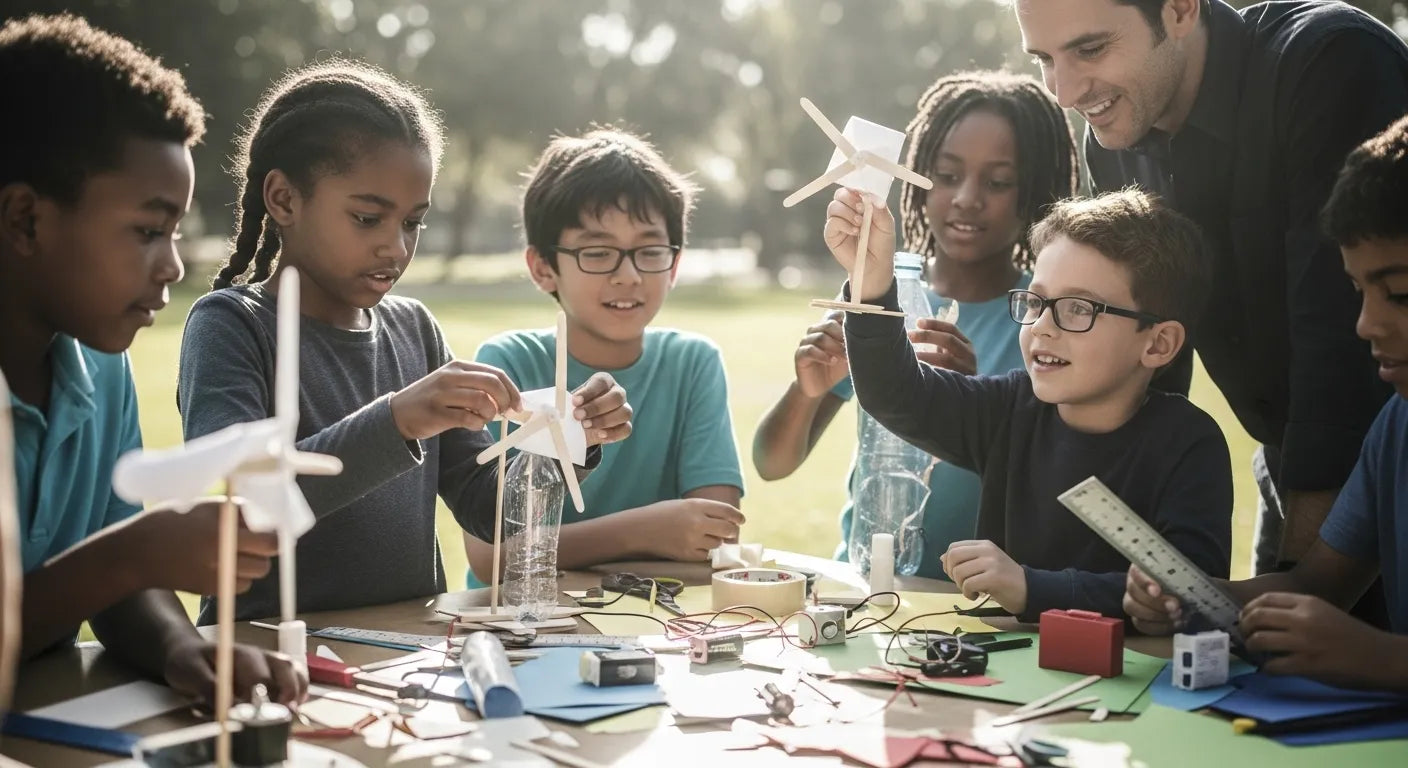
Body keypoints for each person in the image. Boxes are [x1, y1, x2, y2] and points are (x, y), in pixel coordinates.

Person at [179, 63, 630, 621]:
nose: (395, 247)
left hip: (404, 652)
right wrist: (396, 421)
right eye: (368, 218)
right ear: (284, 199)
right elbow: (248, 506)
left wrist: (566, 438)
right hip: (269, 653)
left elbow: (482, 505)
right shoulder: (232, 327)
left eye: (413, 222)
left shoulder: (414, 329)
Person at [1014, 0, 1408, 580]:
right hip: (1282, 464)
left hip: (1383, 469)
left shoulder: (1329, 62)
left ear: (1178, 10)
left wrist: (1303, 585)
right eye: (1045, 58)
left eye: (1090, 49)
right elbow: (1143, 369)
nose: (1066, 92)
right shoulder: (1114, 141)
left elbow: (1339, 345)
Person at [0, 14, 302, 703]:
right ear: (25, 220)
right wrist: (134, 552)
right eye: (146, 230)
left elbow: (116, 585)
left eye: (175, 232)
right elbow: (113, 561)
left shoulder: (101, 370)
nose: (171, 265)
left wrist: (183, 646)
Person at [833, 188, 1231, 620]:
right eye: (1036, 301)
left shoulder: (1190, 445)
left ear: (1158, 344)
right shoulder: (1009, 408)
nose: (1041, 326)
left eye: (1078, 308)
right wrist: (871, 284)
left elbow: (1192, 594)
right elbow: (894, 393)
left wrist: (1030, 587)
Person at [753, 70, 1077, 578]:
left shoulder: (1046, 321)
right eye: (947, 176)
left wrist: (969, 404)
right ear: (918, 178)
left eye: (997, 182)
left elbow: (1055, 490)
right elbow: (772, 464)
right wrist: (807, 389)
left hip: (979, 602)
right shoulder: (878, 298)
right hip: (865, 586)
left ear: (1035, 191)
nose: (967, 197)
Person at [1124, 115, 1408, 692]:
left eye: (1400, 293)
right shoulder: (1395, 429)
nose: (1366, 324)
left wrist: (1381, 658)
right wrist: (1195, 598)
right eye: (1359, 292)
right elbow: (1315, 587)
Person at [463, 129, 743, 585]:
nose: (628, 275)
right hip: (519, 625)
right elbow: (490, 554)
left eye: (650, 251)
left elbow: (715, 536)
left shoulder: (694, 363)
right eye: (598, 253)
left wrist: (566, 548)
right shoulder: (507, 363)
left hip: (652, 628)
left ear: (674, 263)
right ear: (542, 268)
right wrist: (647, 531)